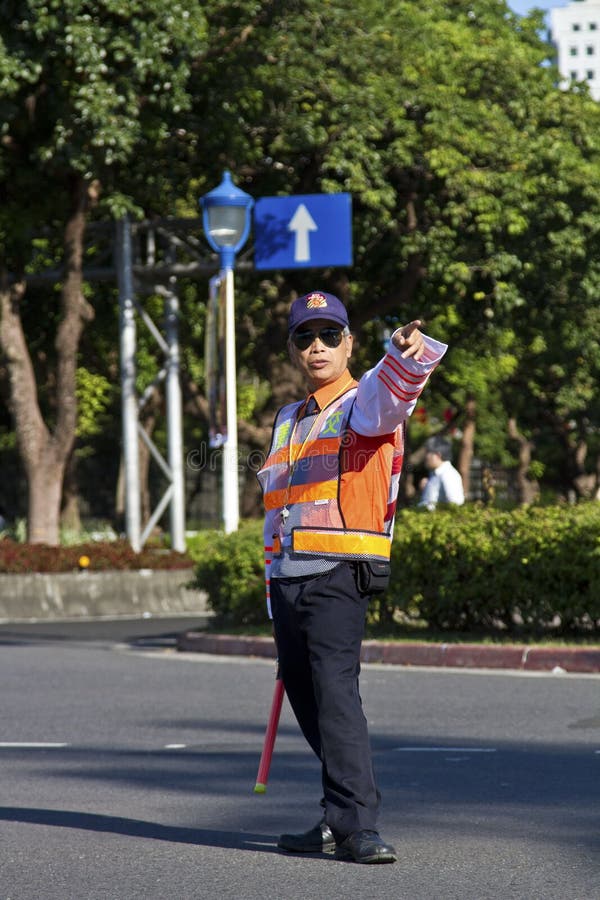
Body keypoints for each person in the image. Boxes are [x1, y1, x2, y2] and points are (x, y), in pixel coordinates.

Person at [257, 290, 447, 864]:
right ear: (294, 348)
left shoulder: (363, 401)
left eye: (330, 335)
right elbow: (275, 507)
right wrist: (272, 587)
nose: (317, 346)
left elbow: (397, 394)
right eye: (305, 337)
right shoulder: (288, 419)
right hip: (288, 578)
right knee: (307, 698)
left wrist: (408, 355)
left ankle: (359, 826)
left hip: (339, 573)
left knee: (336, 697)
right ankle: (336, 812)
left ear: (349, 343)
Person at [418, 436, 465, 510]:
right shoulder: (436, 473)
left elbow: (456, 505)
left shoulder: (449, 475)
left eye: (428, 453)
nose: (425, 457)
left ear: (437, 455)